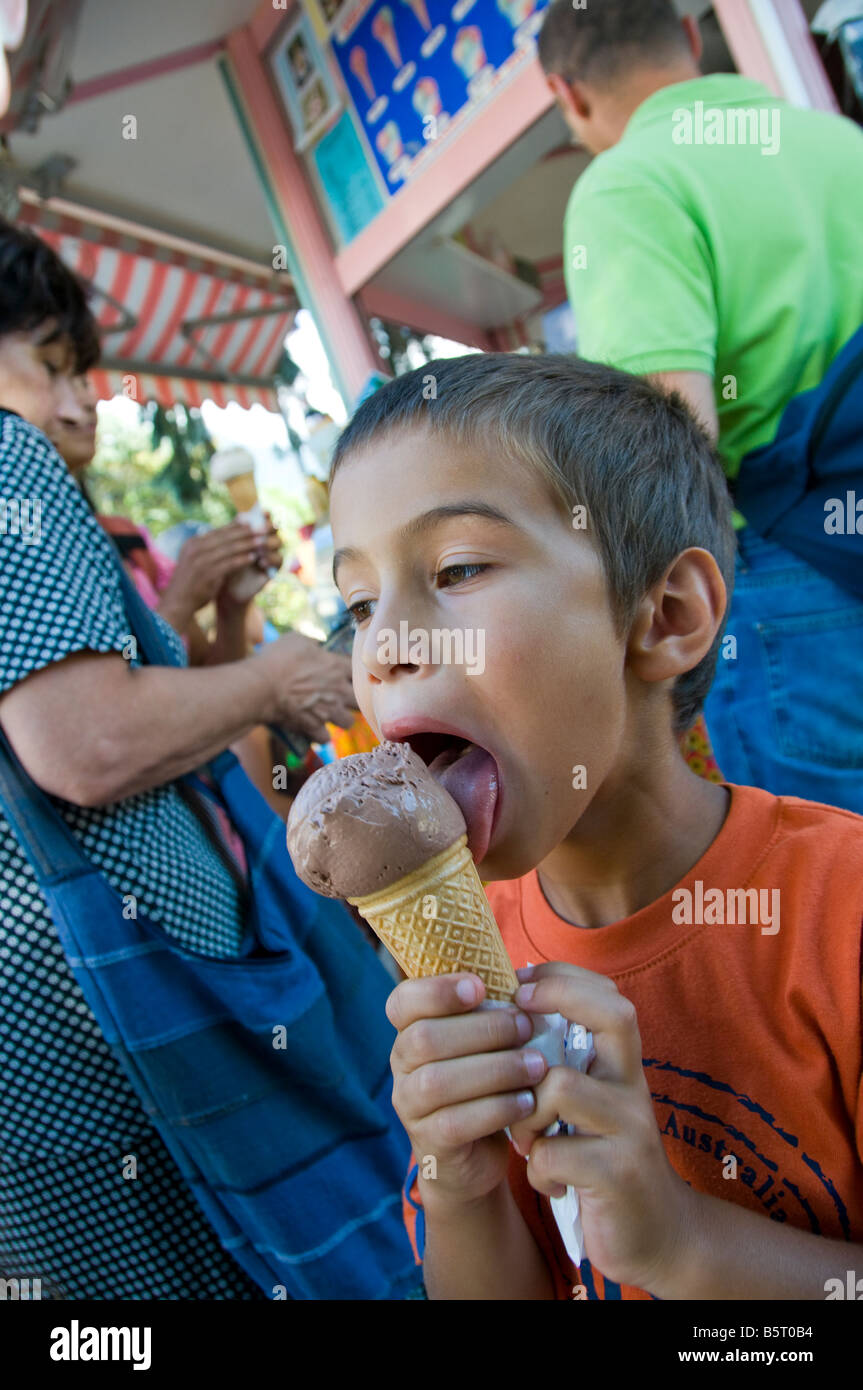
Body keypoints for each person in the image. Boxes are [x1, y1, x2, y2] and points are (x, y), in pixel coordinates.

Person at [325, 351, 863, 1299]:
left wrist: (681, 1244)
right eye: (359, 603)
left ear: (664, 616)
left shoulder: (839, 915)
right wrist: (460, 1181)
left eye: (456, 567)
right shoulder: (467, 959)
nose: (386, 645)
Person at [0, 219, 367, 1298]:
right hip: (110, 1034)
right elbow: (87, 743)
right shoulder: (8, 462)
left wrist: (223, 643)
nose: (78, 404)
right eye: (47, 365)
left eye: (81, 375)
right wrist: (274, 675)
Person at [536, 0, 863, 812]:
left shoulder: (627, 185)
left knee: (836, 881)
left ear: (566, 93)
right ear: (687, 37)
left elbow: (669, 440)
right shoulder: (840, 143)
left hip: (790, 586)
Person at [49, 373, 299, 818]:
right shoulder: (33, 559)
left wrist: (232, 605)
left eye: (83, 376)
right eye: (53, 367)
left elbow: (214, 684)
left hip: (218, 824)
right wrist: (181, 600)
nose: (87, 400)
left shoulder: (128, 543)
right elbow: (106, 732)